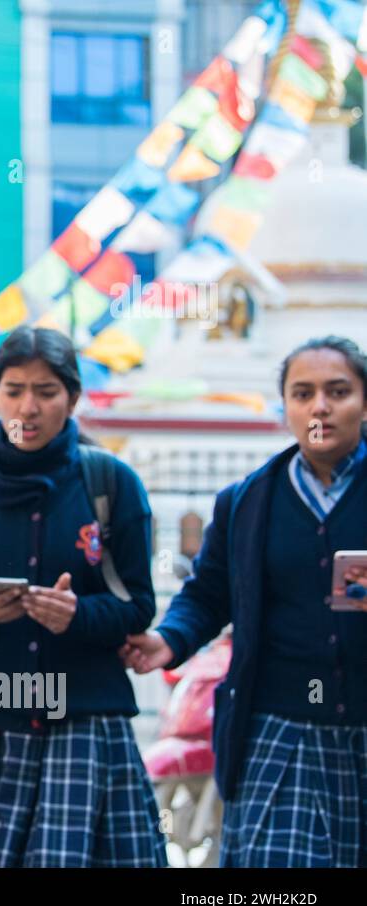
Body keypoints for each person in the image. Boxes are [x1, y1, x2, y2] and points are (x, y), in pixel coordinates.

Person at [0, 325, 165, 867]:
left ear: (72, 398)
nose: (29, 406)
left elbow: (140, 605)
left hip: (84, 727)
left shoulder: (112, 483)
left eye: (47, 392)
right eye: (14, 390)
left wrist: (79, 615)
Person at [123, 335, 367, 867]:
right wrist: (169, 641)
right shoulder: (248, 501)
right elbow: (208, 593)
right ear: (286, 408)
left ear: (364, 402)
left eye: (338, 391)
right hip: (277, 729)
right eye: (302, 394)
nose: (320, 406)